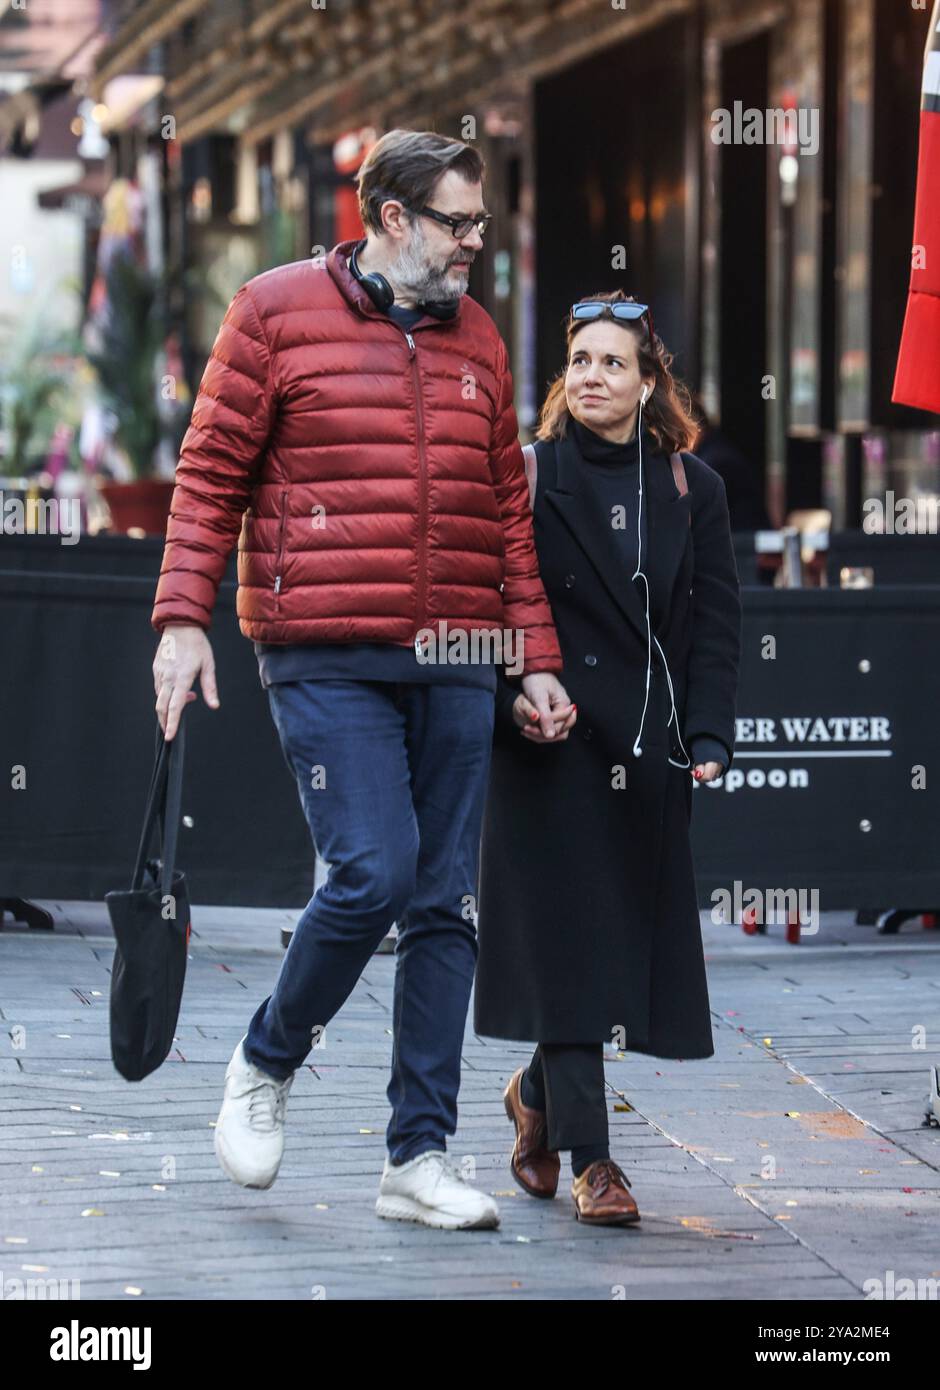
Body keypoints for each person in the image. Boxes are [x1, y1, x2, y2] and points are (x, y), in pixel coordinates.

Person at [150, 128, 573, 1231]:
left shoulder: (477, 335)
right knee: (374, 872)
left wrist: (532, 654)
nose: (476, 240)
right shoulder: (274, 311)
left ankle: (417, 1156)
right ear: (391, 217)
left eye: (482, 221)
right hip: (321, 642)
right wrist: (182, 619)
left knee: (447, 901)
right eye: (457, 221)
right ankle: (264, 1057)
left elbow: (506, 515)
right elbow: (208, 474)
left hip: (459, 655)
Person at [475, 291, 742, 1226]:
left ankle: (535, 1098)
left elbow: (713, 628)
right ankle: (599, 1164)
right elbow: (484, 601)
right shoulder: (523, 473)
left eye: (613, 362)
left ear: (647, 382)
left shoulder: (689, 489)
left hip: (648, 746)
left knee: (613, 948)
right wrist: (511, 694)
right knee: (568, 945)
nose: (592, 376)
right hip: (544, 741)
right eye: (580, 360)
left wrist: (707, 737)